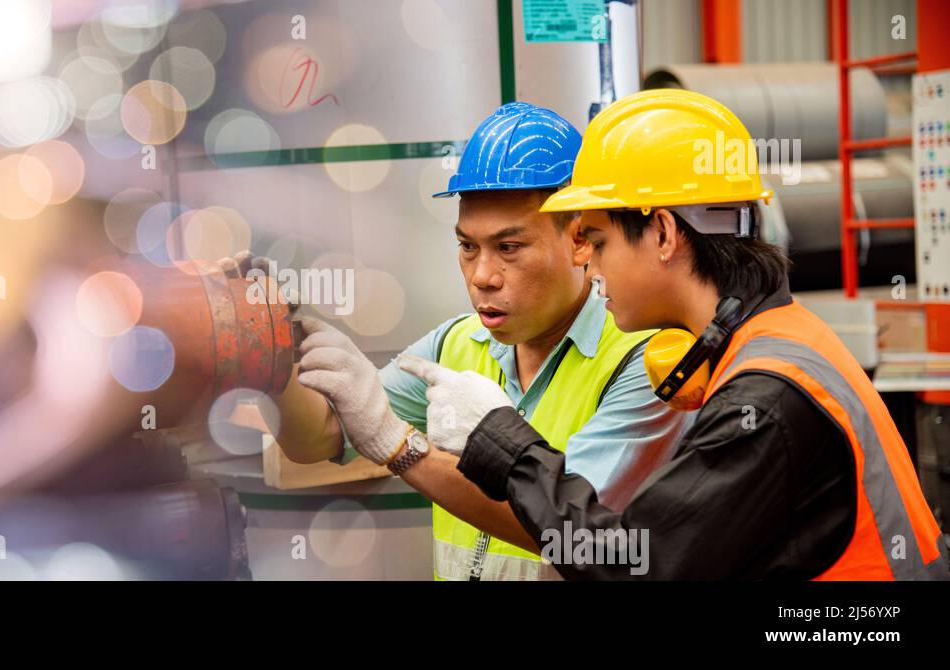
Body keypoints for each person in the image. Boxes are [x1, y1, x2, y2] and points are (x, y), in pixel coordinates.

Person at [400, 89, 950, 580]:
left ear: (662, 232)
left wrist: (503, 442)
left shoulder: (762, 399)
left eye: (599, 241)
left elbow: (638, 562)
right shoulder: (777, 337)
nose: (590, 268)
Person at [279, 102, 690, 580]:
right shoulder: (455, 345)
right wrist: (272, 360)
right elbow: (319, 438)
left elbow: (575, 532)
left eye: (508, 248)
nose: (482, 277)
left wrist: (400, 448)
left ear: (580, 239)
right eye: (467, 247)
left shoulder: (646, 362)